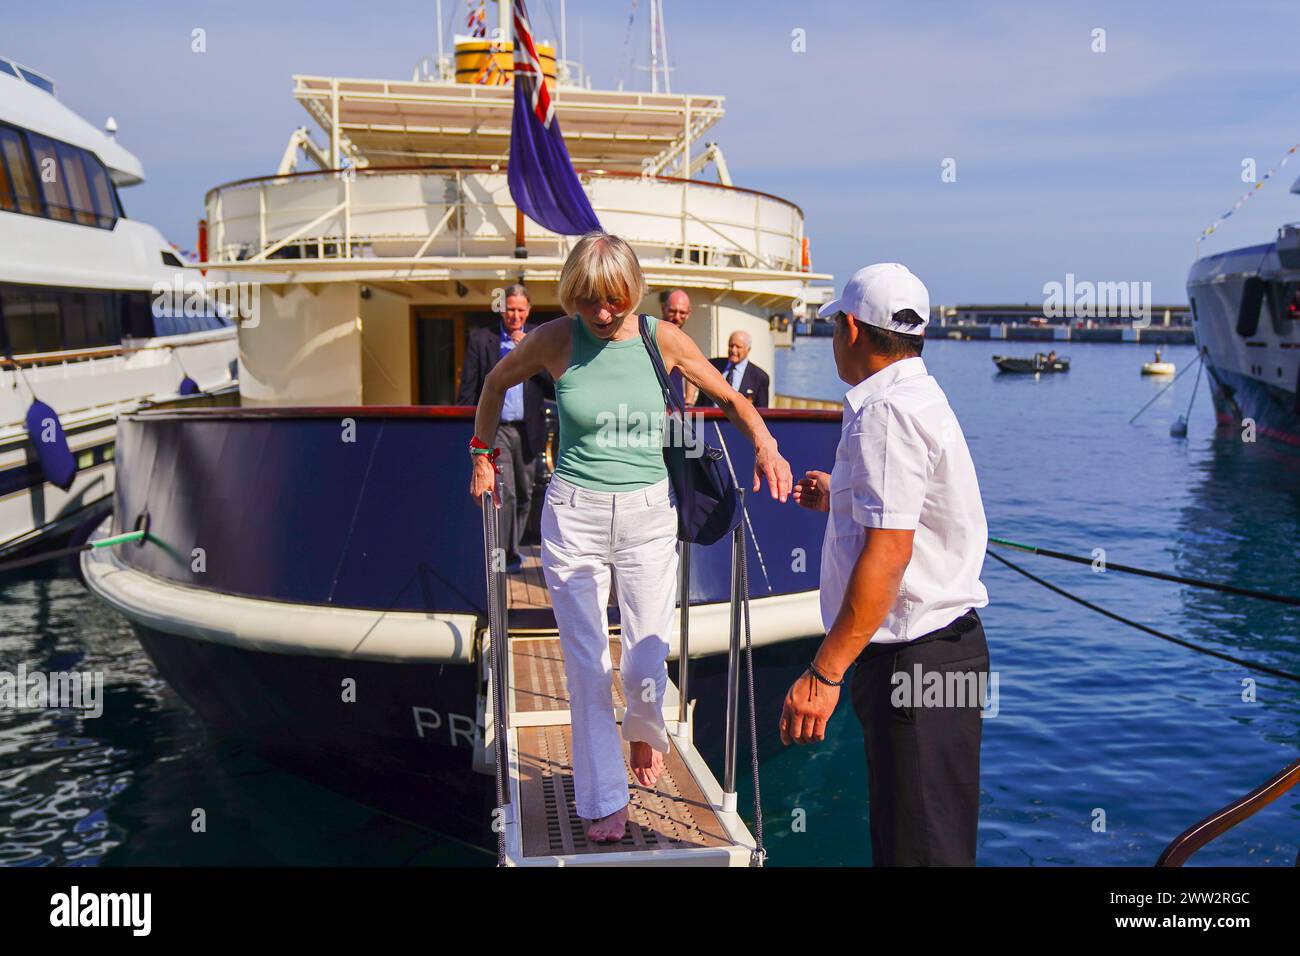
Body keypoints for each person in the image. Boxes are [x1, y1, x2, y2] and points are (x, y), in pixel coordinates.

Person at [469, 232, 793, 843]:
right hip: (573, 515)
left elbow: (728, 396)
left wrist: (767, 445)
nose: (601, 313)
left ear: (631, 293)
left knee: (646, 654)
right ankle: (604, 799)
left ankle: (643, 729)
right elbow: (492, 387)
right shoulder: (555, 339)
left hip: (648, 516)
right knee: (586, 665)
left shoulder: (658, 337)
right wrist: (481, 453)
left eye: (613, 300)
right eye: (589, 299)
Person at [782, 262, 990, 866]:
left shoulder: (885, 413)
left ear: (850, 329)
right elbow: (904, 513)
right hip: (940, 653)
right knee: (929, 845)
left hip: (914, 660)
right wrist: (841, 493)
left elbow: (891, 550)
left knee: (917, 853)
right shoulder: (916, 395)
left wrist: (823, 675)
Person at [457, 284, 553, 571]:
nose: (514, 315)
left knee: (525, 493)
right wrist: (468, 433)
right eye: (510, 308)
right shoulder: (481, 339)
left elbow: (554, 384)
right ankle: (505, 556)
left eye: (520, 309)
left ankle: (512, 548)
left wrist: (531, 353)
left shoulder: (539, 338)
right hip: (497, 428)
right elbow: (468, 389)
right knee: (507, 492)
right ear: (502, 308)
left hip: (528, 429)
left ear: (528, 311)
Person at [694, 330, 769, 408]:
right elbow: (701, 403)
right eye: (731, 345)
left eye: (738, 347)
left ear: (748, 349)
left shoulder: (759, 377)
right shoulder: (712, 365)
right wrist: (694, 419)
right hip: (710, 419)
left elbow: (762, 412)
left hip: (737, 420)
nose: (733, 350)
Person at [659, 288, 697, 406]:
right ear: (663, 308)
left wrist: (689, 402)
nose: (677, 317)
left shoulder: (686, 342)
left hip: (676, 411)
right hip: (651, 412)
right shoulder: (648, 335)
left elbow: (693, 371)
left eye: (682, 313)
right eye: (672, 311)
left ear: (688, 313)